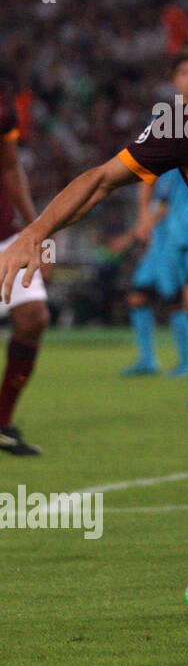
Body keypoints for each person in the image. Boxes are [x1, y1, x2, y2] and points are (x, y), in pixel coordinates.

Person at [121, 48, 188, 380]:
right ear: (174, 81)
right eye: (185, 73)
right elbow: (149, 177)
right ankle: (165, 362)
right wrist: (144, 218)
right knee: (152, 296)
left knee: (187, 297)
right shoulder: (165, 123)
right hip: (167, 229)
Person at [0, 76, 49, 455]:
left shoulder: (4, 101)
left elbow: (11, 167)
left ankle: (2, 424)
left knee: (34, 316)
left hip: (5, 234)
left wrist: (35, 229)